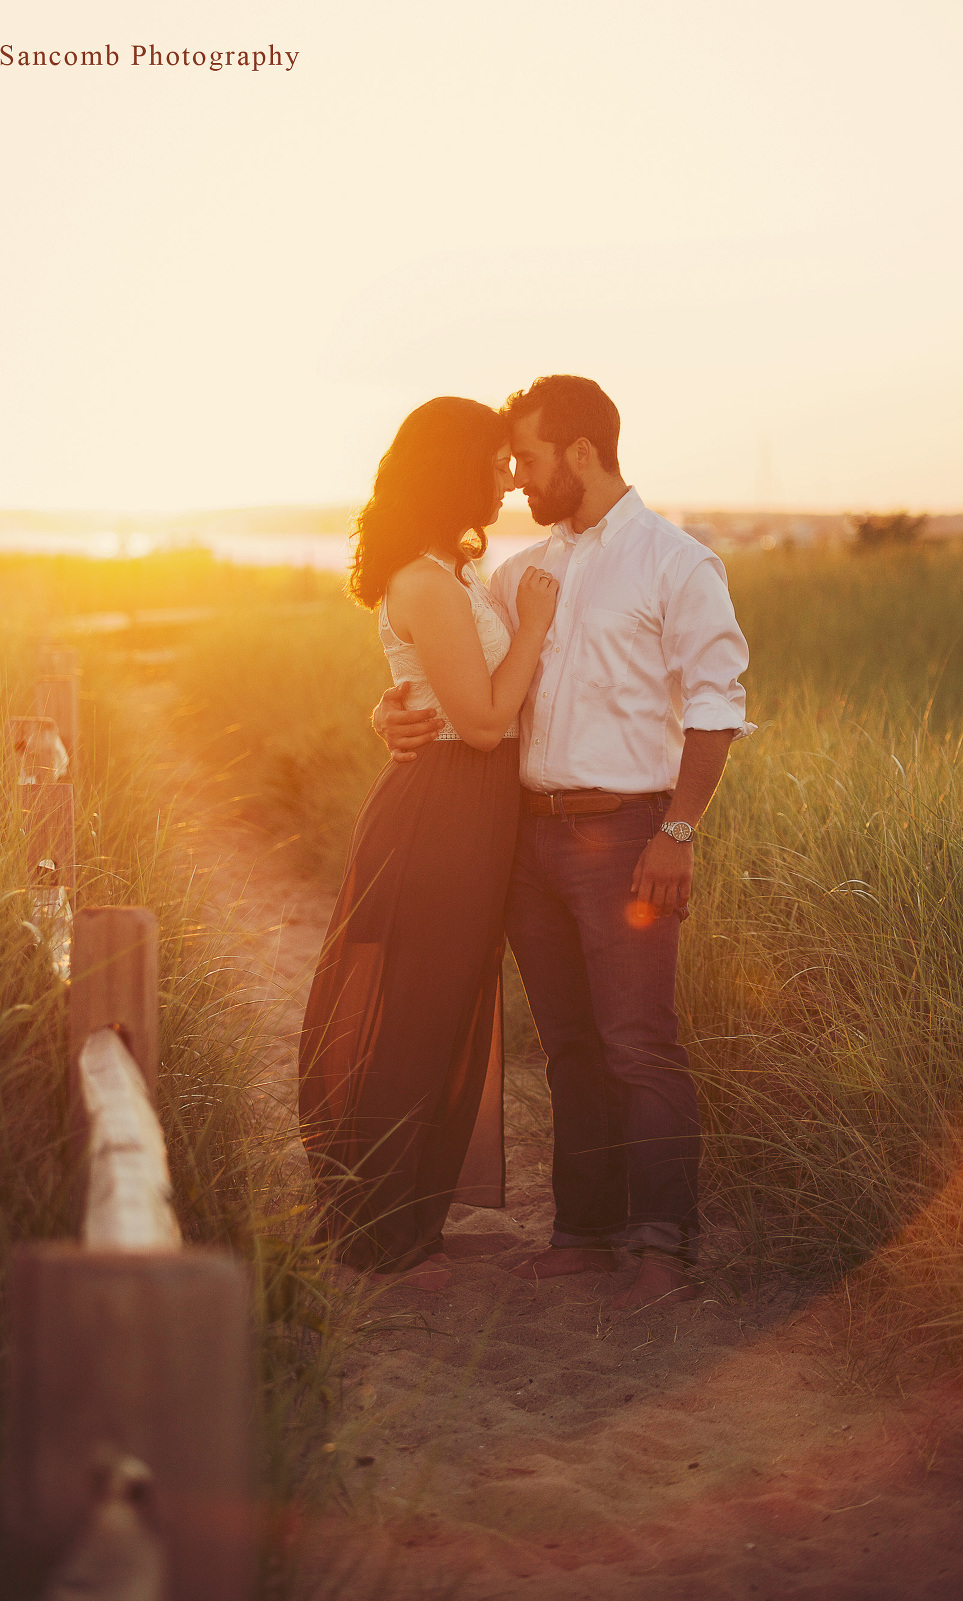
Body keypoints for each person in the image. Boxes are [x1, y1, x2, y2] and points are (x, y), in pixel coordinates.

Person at [376, 375, 754, 1310]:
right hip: (527, 839)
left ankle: (665, 1249)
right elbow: (473, 680)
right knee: (571, 1048)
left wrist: (678, 830)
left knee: (639, 1045)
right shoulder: (520, 573)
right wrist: (394, 714)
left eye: (531, 457)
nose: (516, 477)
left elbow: (715, 708)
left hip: (629, 831)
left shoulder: (676, 563)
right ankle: (584, 1233)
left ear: (582, 452)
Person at [298, 396, 560, 1290]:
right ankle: (385, 1236)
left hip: (469, 809)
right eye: (493, 459)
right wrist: (532, 626)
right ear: (453, 468)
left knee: (442, 1007)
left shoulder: (448, 573)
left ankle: (411, 1223)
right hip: (444, 808)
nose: (507, 474)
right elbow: (484, 723)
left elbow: (450, 698)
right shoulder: (423, 580)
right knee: (415, 1011)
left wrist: (395, 708)